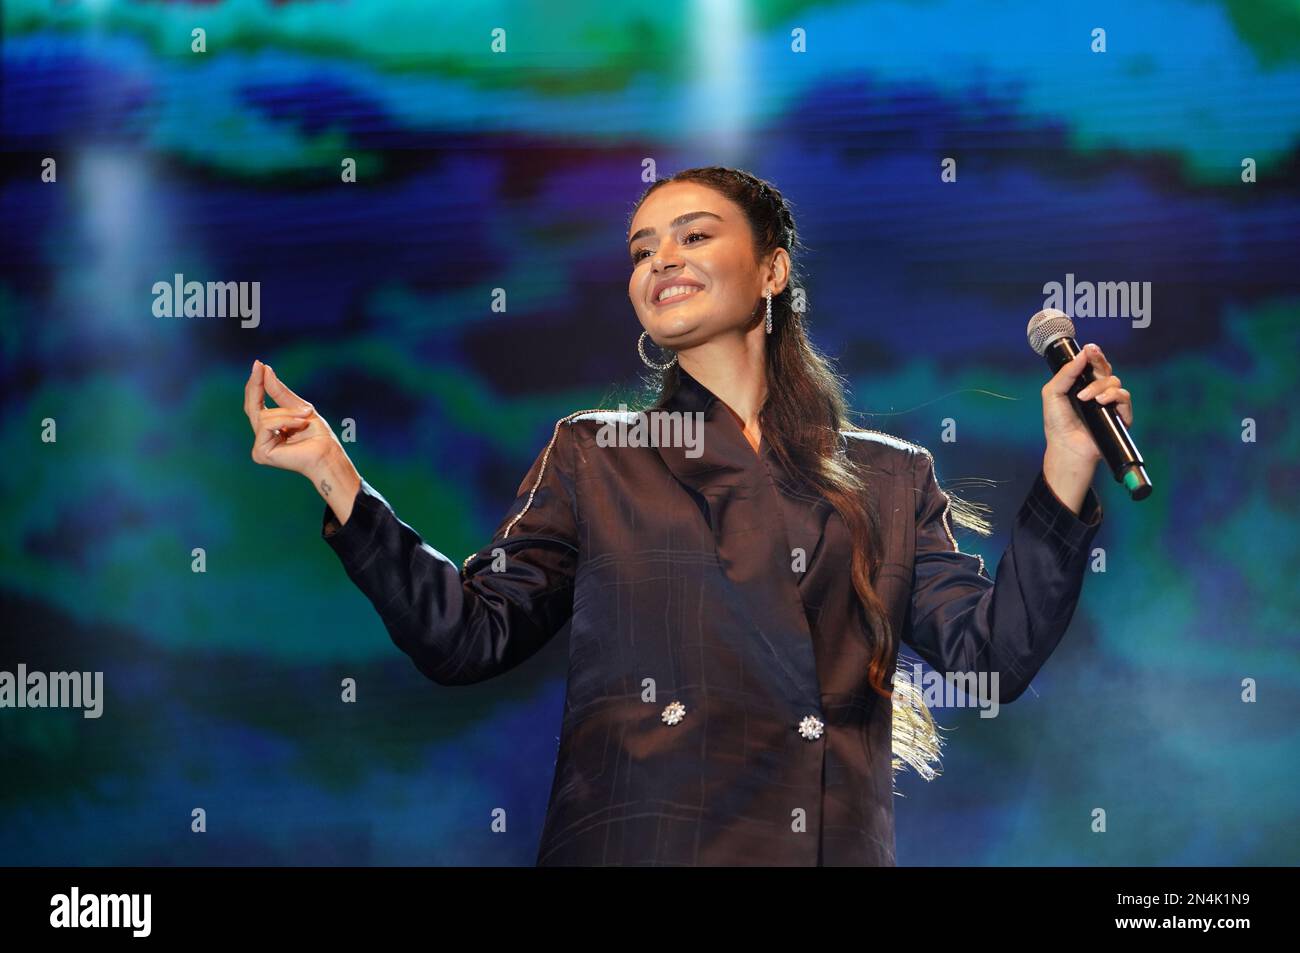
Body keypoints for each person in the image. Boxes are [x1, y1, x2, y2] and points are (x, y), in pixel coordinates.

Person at [244, 166, 1134, 866]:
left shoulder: (891, 477)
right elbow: (468, 637)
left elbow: (993, 658)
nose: (660, 259)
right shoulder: (600, 454)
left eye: (693, 235)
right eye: (641, 249)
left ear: (773, 270)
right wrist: (336, 475)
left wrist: (1065, 467)